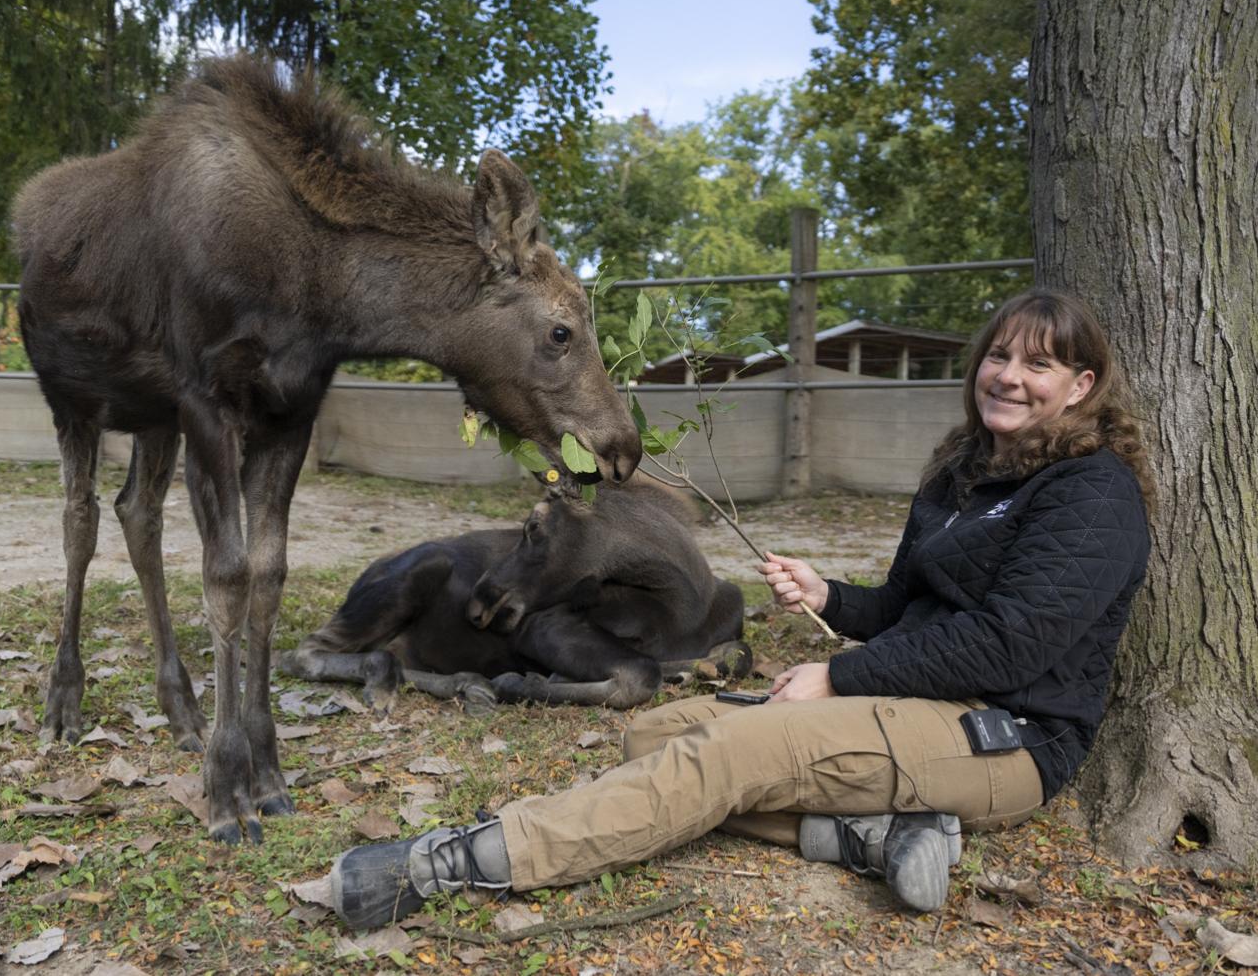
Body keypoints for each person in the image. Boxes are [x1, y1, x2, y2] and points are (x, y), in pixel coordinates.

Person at [328, 289, 1153, 928]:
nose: (1007, 375)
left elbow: (1010, 645)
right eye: (999, 355)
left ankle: (454, 860)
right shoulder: (960, 472)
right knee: (648, 731)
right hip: (911, 701)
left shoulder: (1091, 492)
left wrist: (837, 676)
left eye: (1038, 365)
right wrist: (830, 594)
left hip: (1003, 734)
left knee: (720, 756)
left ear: (1080, 386)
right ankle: (867, 835)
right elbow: (903, 605)